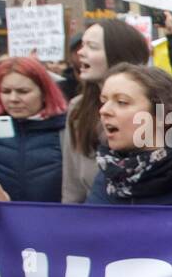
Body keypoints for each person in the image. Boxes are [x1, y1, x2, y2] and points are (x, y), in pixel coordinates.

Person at [61, 19, 153, 205]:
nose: (81, 52)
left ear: (118, 53)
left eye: (92, 47)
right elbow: (72, 187)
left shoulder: (158, 105)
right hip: (95, 222)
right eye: (82, 45)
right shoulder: (78, 109)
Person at [0, 55, 68, 203]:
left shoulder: (68, 131)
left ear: (44, 93)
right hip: (4, 221)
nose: (13, 98)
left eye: (23, 91)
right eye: (6, 91)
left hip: (58, 222)